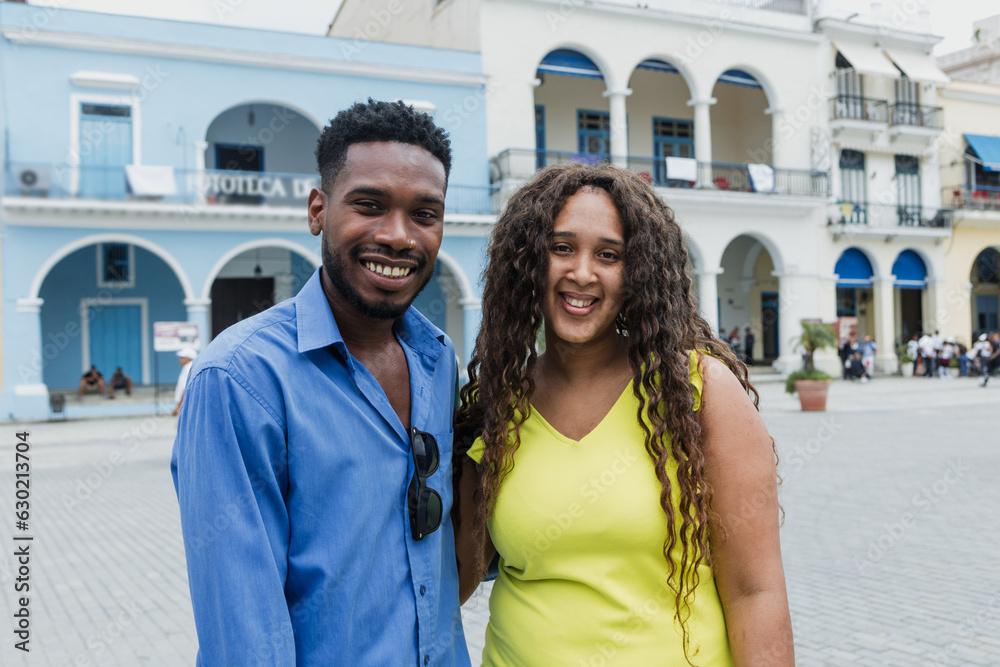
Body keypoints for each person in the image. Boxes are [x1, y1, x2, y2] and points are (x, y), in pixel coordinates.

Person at [453, 163, 792, 665]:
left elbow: (755, 593)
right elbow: (452, 580)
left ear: (636, 273)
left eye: (608, 255)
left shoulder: (699, 392)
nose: (582, 273)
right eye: (561, 247)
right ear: (526, 261)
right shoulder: (497, 403)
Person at [171, 100, 470, 665]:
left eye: (425, 215)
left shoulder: (438, 359)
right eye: (369, 205)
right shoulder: (239, 378)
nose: (399, 236)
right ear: (318, 211)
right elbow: (245, 634)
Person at [171, 348, 197, 416]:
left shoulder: (189, 368)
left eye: (182, 358)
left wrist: (179, 406)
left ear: (189, 358)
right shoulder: (189, 367)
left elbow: (185, 388)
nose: (180, 360)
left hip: (184, 404)